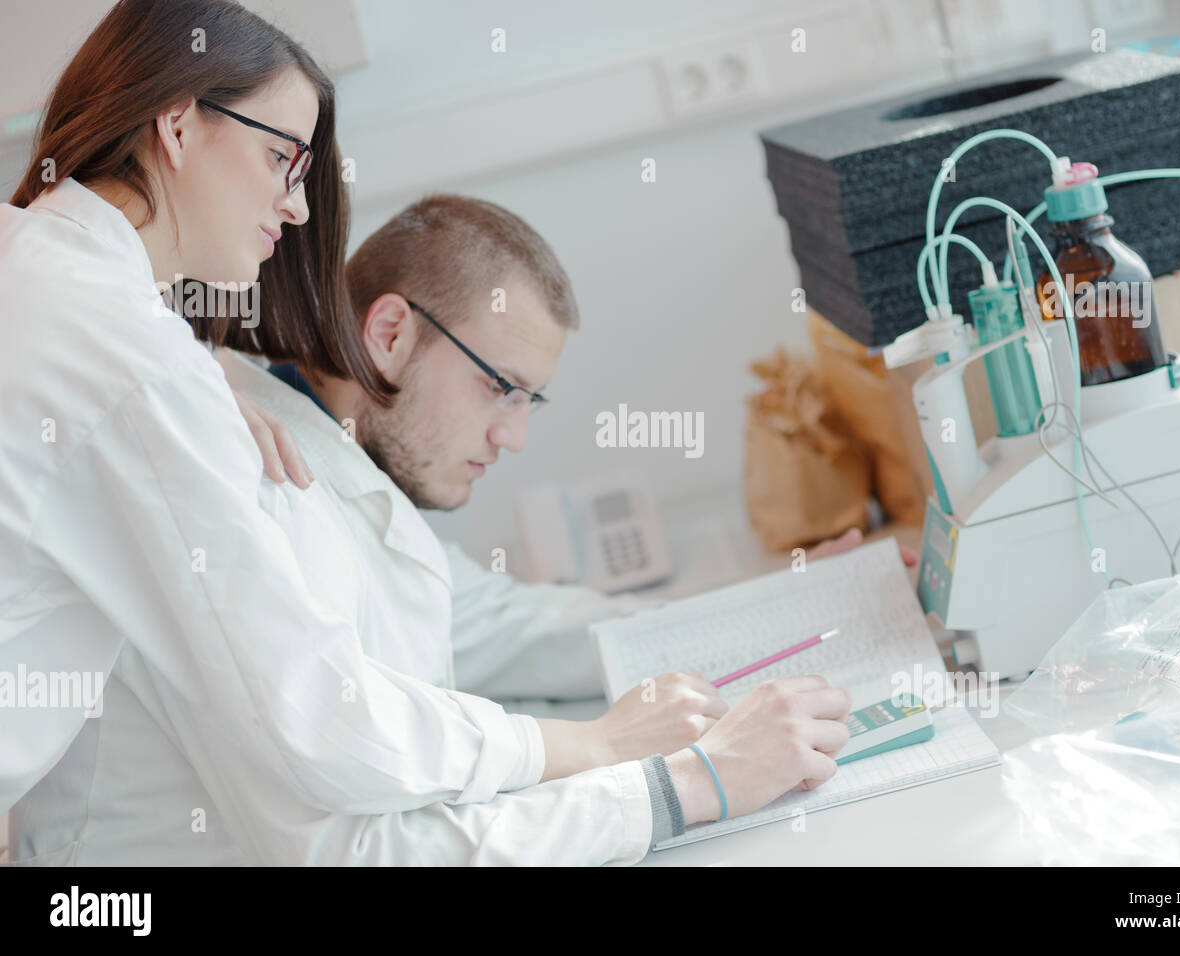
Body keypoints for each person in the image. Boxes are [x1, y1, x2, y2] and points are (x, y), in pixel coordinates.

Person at [1, 0, 855, 865]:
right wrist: (653, 773)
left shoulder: (80, 301)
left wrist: (762, 606)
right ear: (177, 124)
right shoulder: (143, 369)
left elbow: (490, 622)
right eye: (278, 157)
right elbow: (328, 741)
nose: (294, 208)